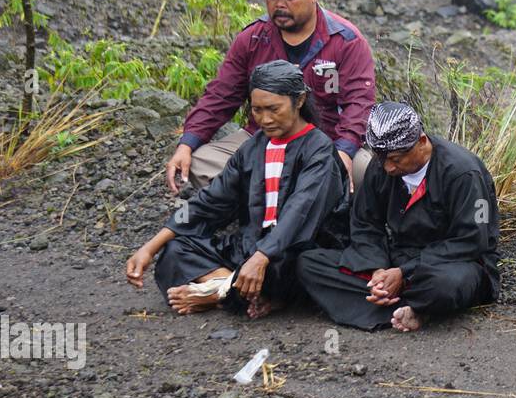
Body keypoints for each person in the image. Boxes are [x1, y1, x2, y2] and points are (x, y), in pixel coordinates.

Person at [126, 60, 349, 318]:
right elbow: (210, 200)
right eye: (257, 110)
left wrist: (261, 257)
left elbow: (300, 211)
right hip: (254, 245)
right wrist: (150, 248)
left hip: (298, 248)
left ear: (299, 101)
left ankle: (217, 292)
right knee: (176, 250)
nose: (265, 119)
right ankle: (229, 288)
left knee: (297, 267)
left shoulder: (319, 149)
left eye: (274, 109)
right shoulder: (253, 148)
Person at [164, 0, 375, 194]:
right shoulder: (253, 38)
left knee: (370, 176)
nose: (279, 4)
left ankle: (289, 196)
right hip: (263, 140)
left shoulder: (346, 42)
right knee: (198, 165)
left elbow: (359, 104)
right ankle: (271, 197)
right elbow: (221, 96)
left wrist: (344, 152)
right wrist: (187, 143)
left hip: (326, 142)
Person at [296, 102, 501, 333]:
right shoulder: (382, 164)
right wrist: (377, 271)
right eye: (381, 158)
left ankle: (414, 303)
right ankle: (409, 307)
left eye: (396, 159)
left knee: (446, 285)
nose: (388, 168)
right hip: (398, 259)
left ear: (422, 142)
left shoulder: (464, 172)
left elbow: (473, 240)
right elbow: (365, 224)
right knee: (310, 263)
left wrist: (405, 274)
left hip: (450, 263)